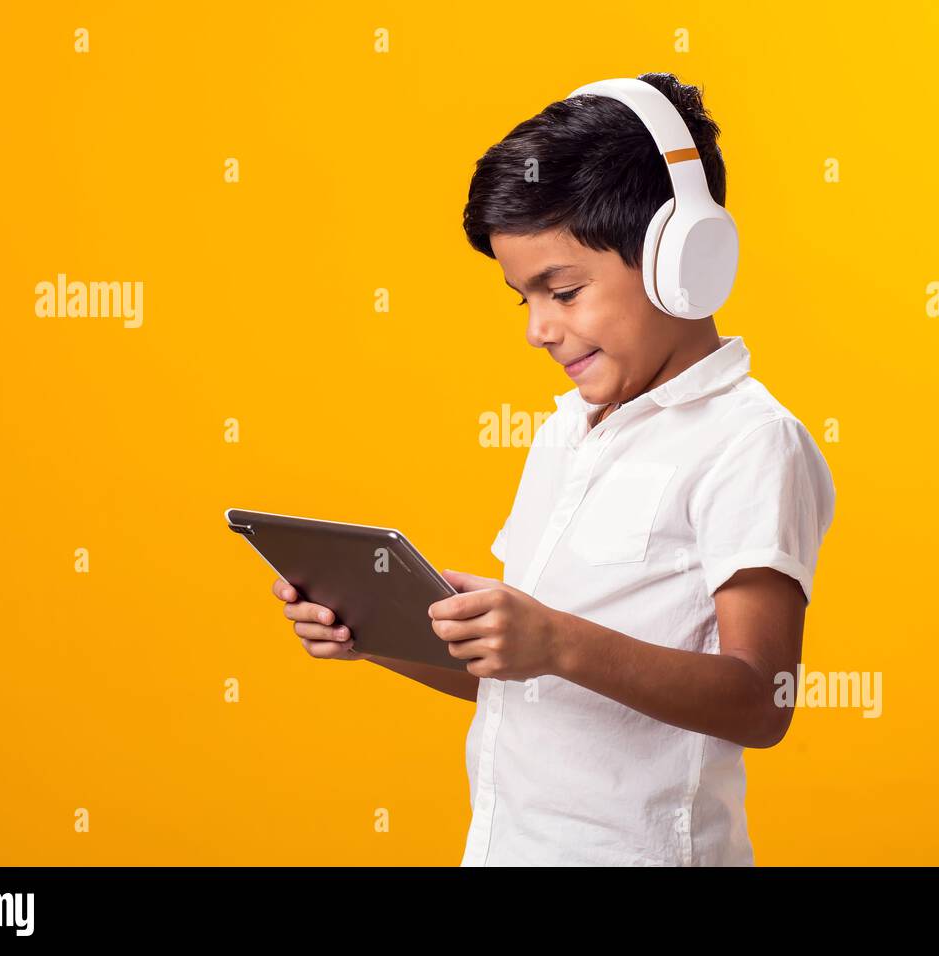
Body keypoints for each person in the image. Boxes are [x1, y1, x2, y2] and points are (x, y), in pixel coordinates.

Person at [273, 72, 836, 866]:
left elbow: (761, 700)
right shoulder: (565, 433)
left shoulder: (748, 443)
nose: (539, 329)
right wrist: (380, 635)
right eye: (521, 299)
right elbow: (526, 684)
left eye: (564, 291)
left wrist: (558, 641)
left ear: (687, 260)